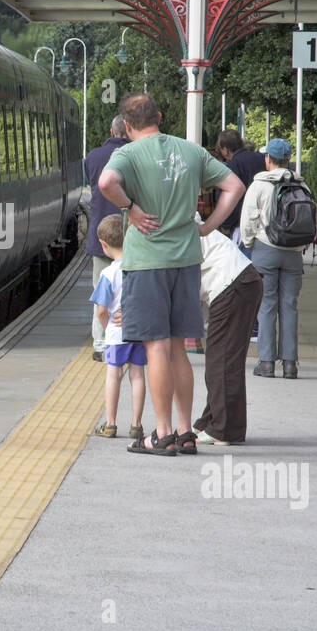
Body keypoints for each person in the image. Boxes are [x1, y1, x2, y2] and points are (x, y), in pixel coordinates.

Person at [97, 93, 245, 455]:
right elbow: (235, 187)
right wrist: (208, 227)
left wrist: (130, 208)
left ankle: (161, 433)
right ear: (159, 116)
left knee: (156, 346)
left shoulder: (128, 154)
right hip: (186, 261)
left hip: (147, 264)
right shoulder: (190, 151)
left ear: (127, 125)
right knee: (178, 346)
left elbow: (106, 183)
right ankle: (184, 430)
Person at [239, 137, 306, 379]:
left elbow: (247, 221)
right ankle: (290, 364)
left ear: (268, 159)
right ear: (287, 160)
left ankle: (266, 362)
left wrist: (249, 244)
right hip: (293, 253)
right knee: (289, 305)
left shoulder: (259, 185)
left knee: (266, 305)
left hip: (265, 249)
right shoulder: (301, 185)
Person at [193, 217, 263, 445]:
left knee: (220, 360)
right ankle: (219, 423)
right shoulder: (188, 222)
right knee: (226, 360)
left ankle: (221, 429)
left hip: (231, 285)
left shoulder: (182, 228)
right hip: (242, 281)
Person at [89, 214, 147, 440]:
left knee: (114, 376)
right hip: (138, 332)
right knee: (138, 376)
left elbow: (102, 310)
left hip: (116, 334)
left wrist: (107, 326)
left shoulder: (107, 273)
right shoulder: (140, 268)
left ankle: (111, 424)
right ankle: (136, 425)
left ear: (103, 244)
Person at [84, 116, 130, 359]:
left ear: (111, 130)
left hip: (102, 234)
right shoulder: (135, 155)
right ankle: (128, 336)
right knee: (131, 288)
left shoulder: (93, 157)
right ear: (129, 130)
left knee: (100, 289)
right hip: (132, 234)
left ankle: (100, 343)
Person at [213, 129, 266, 240]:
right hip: (266, 223)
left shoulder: (232, 167)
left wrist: (225, 224)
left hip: (242, 225)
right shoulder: (262, 159)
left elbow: (228, 199)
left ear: (225, 149)